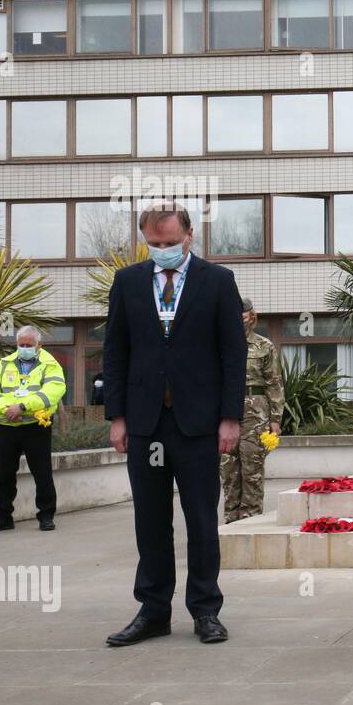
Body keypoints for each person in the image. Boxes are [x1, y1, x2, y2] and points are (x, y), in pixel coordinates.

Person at [102, 200, 247, 647]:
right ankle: (153, 611)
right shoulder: (127, 282)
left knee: (201, 518)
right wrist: (118, 416)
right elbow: (116, 351)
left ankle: (205, 610)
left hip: (200, 423)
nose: (161, 250)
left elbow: (232, 354)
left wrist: (230, 418)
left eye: (168, 242)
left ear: (189, 236)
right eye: (153, 243)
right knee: (150, 520)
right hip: (146, 422)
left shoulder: (218, 282)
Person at [0, 326, 66, 533]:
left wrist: (23, 407)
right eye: (21, 345)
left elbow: (53, 391)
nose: (24, 348)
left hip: (35, 426)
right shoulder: (3, 364)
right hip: (7, 426)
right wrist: (5, 409)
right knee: (4, 476)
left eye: (29, 345)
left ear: (39, 345)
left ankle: (46, 516)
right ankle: (3, 517)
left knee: (42, 473)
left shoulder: (50, 365)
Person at [220, 297, 283, 524]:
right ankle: (231, 519)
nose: (240, 319)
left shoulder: (264, 346)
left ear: (251, 316)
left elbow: (274, 383)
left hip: (255, 411)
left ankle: (252, 520)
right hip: (226, 410)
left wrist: (275, 419)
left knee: (252, 467)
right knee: (228, 468)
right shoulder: (220, 344)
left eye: (243, 314)